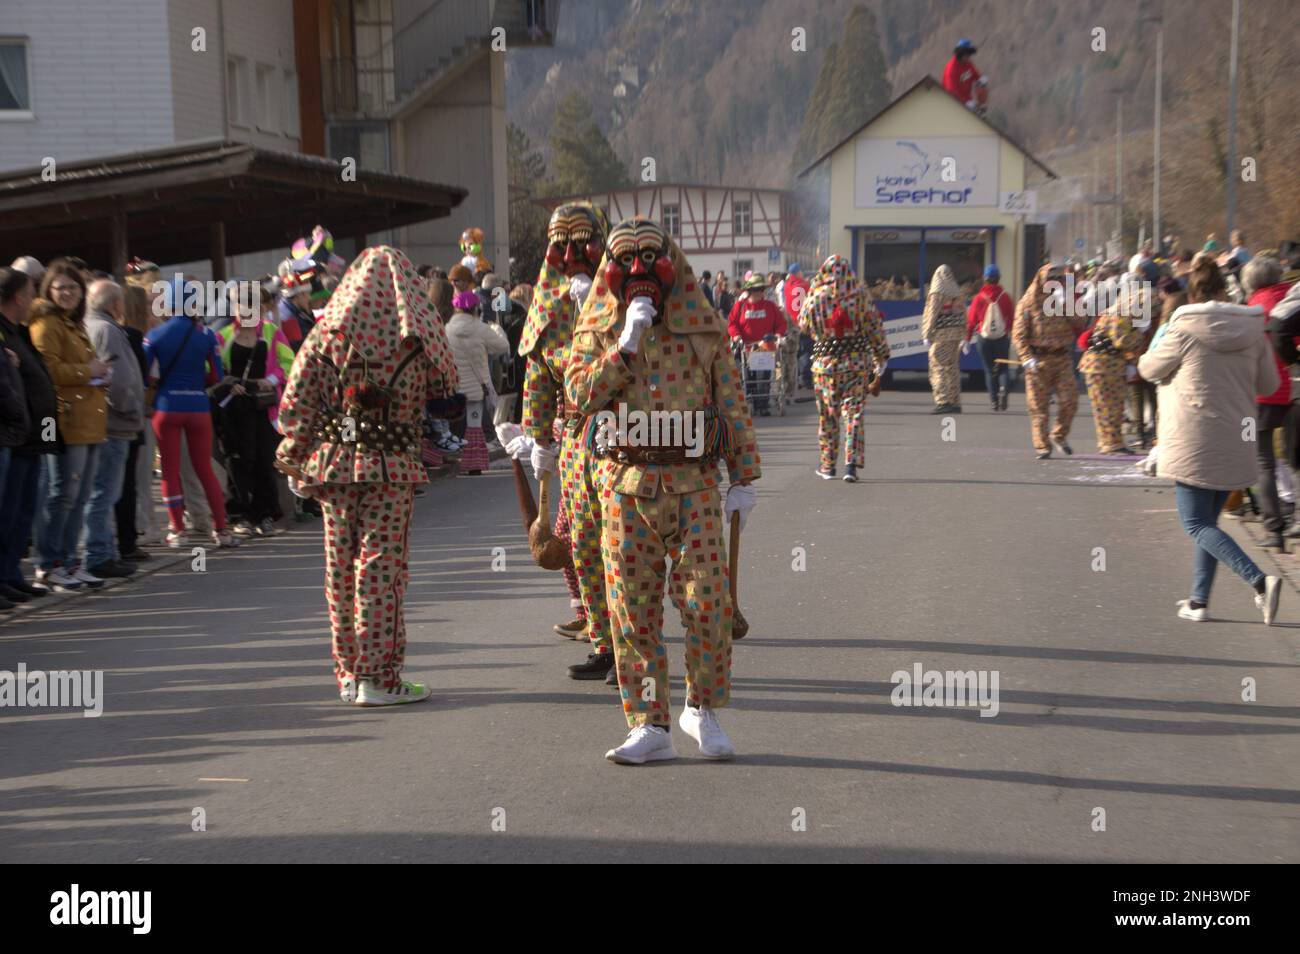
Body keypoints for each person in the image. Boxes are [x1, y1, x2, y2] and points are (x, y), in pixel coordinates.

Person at [567, 217, 760, 764]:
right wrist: (623, 344)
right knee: (632, 611)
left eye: (650, 258)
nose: (638, 271)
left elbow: (732, 403)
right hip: (625, 486)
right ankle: (650, 724)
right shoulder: (597, 329)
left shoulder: (703, 326)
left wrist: (744, 474)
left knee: (709, 605)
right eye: (625, 260)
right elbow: (580, 398)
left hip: (694, 483)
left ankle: (701, 707)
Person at [277, 245, 459, 706]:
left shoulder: (325, 335)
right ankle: (379, 678)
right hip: (392, 466)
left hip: (334, 465)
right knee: (382, 570)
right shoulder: (418, 340)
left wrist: (294, 457)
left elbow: (296, 404)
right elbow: (446, 387)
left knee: (339, 570)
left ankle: (348, 675)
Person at [504, 202, 617, 680]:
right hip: (571, 442)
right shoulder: (548, 309)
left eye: (583, 241)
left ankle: (636, 645)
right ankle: (603, 642)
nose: (572, 253)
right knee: (585, 546)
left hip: (622, 438)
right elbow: (537, 376)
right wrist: (536, 440)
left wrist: (603, 308)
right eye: (561, 243)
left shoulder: (632, 299)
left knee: (623, 546)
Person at [1137, 253, 1281, 625]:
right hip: (1238, 435)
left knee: (1196, 524)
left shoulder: (1182, 328)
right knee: (1209, 522)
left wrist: (1160, 337)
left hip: (1194, 438)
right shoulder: (1254, 329)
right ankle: (1199, 601)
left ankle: (1260, 581)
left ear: (1192, 293)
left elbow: (1148, 368)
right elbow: (1269, 384)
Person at [28, 262, 109, 591]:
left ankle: (69, 560)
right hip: (61, 420)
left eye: (73, 288)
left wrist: (97, 374)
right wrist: (88, 371)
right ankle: (49, 563)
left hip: (88, 419)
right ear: (48, 289)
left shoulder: (73, 324)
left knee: (79, 496)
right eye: (60, 287)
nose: (67, 293)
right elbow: (47, 369)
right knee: (62, 493)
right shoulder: (47, 323)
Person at [143, 278, 239, 549]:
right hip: (198, 407)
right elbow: (217, 376)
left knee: (169, 471)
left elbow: (146, 376)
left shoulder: (154, 335)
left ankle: (178, 531)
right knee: (204, 469)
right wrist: (197, 378)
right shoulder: (207, 335)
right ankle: (222, 530)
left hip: (167, 407)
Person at [797, 254, 889, 482]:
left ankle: (828, 466)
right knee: (854, 414)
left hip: (824, 367)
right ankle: (851, 466)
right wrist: (881, 356)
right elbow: (874, 326)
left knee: (828, 416)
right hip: (856, 365)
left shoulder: (815, 295)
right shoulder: (860, 295)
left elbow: (803, 324)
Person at [215, 283, 294, 536]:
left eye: (254, 305)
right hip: (235, 410)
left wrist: (271, 380)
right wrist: (229, 384)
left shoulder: (272, 332)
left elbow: (290, 363)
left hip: (263, 406)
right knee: (237, 460)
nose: (248, 310)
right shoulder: (223, 335)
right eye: (242, 304)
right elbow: (214, 371)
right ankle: (240, 515)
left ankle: (265, 514)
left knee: (263, 459)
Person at [0, 268, 57, 602]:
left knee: (21, 510)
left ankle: (10, 574)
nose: (36, 299)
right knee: (7, 511)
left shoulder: (16, 332)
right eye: (33, 291)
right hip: (12, 433)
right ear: (20, 297)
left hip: (29, 436)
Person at [81, 280, 144, 579]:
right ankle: (98, 554)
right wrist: (130, 408)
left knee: (104, 491)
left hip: (107, 421)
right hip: (114, 422)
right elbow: (117, 380)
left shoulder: (94, 327)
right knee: (105, 491)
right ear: (114, 304)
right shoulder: (105, 330)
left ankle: (105, 551)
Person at [1242, 255, 1295, 549]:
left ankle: (1273, 529)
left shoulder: (1252, 311)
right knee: (1291, 456)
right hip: (1293, 387)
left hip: (1262, 394)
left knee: (1261, 461)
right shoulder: (1291, 301)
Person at [1013, 263, 1089, 459]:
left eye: (1058, 280)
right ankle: (1042, 446)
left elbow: (1081, 325)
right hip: (1038, 361)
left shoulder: (1064, 299)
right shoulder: (1028, 303)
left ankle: (1059, 434)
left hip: (1062, 358)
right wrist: (1026, 358)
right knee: (1039, 408)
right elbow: (1019, 334)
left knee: (1070, 400)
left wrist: (1067, 305)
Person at [445, 289, 508, 474]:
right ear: (475, 309)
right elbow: (502, 346)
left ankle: (457, 461)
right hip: (475, 389)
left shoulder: (447, 328)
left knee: (456, 428)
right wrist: (498, 330)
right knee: (474, 427)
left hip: (454, 387)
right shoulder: (481, 328)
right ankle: (474, 466)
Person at [1077, 285, 1144, 455]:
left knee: (1115, 405)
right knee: (1104, 406)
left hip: (1111, 366)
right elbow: (1121, 341)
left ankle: (1114, 441)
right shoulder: (1119, 314)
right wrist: (1139, 334)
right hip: (1100, 366)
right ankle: (1108, 443)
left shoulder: (1122, 313)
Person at [114, 283, 153, 563]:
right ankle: (131, 537)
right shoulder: (134, 338)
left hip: (124, 418)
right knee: (131, 482)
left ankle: (129, 538)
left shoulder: (128, 336)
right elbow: (141, 380)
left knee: (127, 482)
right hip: (131, 418)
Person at [728, 273, 786, 415]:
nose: (759, 292)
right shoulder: (740, 306)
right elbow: (732, 324)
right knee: (749, 377)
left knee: (763, 377)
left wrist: (778, 335)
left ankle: (763, 405)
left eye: (761, 289)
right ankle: (752, 403)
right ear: (749, 291)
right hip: (746, 348)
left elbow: (781, 324)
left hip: (765, 347)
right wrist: (736, 337)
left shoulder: (770, 306)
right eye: (756, 289)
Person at [964, 264, 1015, 411]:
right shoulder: (1005, 297)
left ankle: (994, 401)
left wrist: (967, 339)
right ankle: (1004, 389)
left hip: (984, 339)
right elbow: (1011, 318)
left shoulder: (979, 298)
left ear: (985, 279)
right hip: (1001, 338)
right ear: (998, 279)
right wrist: (1011, 334)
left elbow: (972, 321)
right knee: (1003, 368)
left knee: (989, 370)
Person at [921, 264, 966, 413]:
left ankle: (943, 401)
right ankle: (955, 402)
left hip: (941, 335)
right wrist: (964, 335)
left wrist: (926, 334)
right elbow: (964, 315)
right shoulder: (957, 292)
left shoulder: (937, 292)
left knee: (938, 365)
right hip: (956, 336)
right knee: (952, 367)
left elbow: (932, 313)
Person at [943, 39, 986, 112]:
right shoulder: (951, 69)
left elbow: (976, 75)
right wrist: (966, 103)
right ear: (961, 54)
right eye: (967, 54)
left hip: (968, 102)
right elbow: (951, 92)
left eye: (969, 54)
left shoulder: (967, 63)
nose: (969, 57)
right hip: (953, 106)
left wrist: (981, 81)